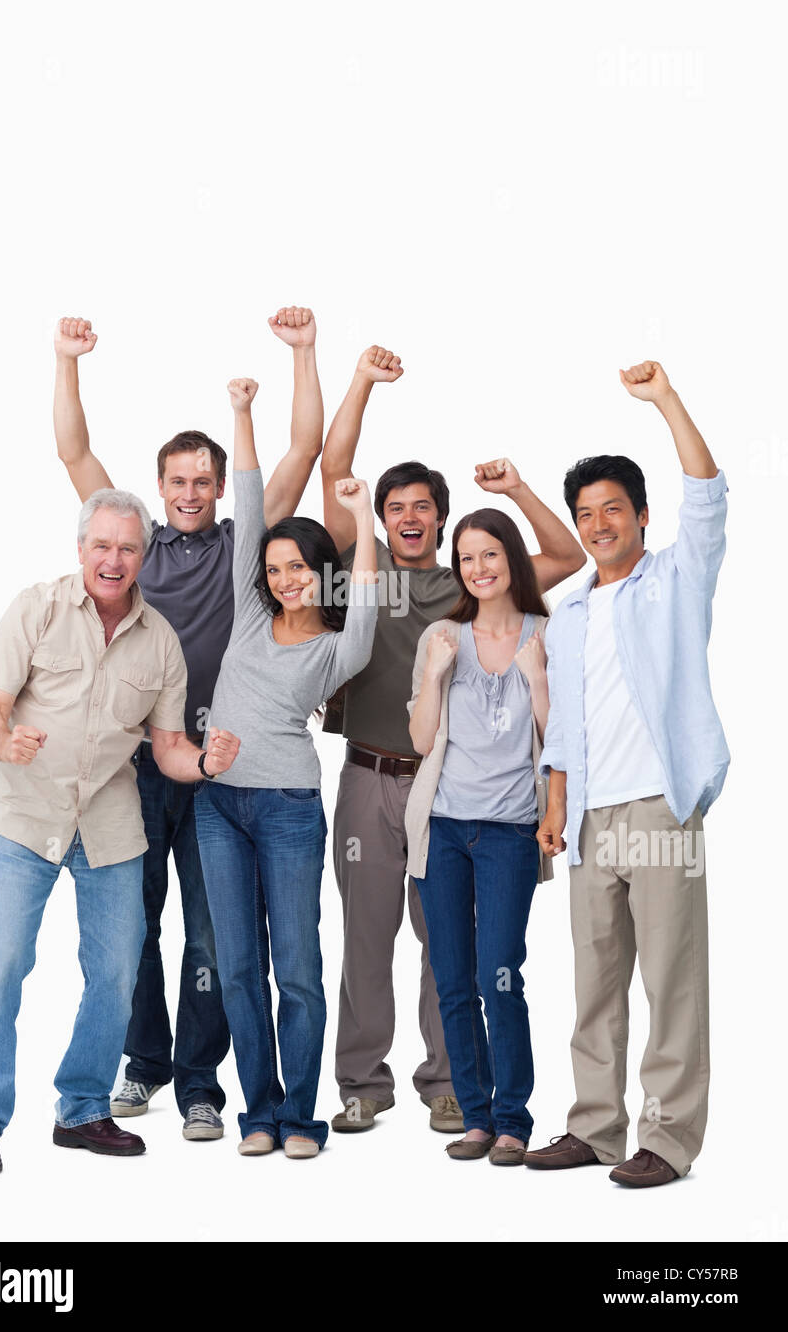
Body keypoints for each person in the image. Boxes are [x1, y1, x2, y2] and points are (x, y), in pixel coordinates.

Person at [52, 308, 322, 1142]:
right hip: (136, 764)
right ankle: (145, 1066)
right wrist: (67, 361)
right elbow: (72, 454)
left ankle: (201, 1083)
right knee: (133, 925)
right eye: (180, 481)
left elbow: (303, 450)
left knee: (210, 934)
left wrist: (303, 355)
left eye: (206, 480)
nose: (194, 493)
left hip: (218, 769)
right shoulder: (140, 546)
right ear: (162, 487)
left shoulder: (249, 546)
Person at [320, 344, 586, 1135]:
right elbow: (335, 460)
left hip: (450, 787)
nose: (406, 517)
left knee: (450, 945)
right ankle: (363, 1082)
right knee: (366, 939)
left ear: (440, 517)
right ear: (381, 518)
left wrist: (513, 490)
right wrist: (362, 380)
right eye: (394, 507)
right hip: (369, 779)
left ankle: (450, 1082)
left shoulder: (467, 584)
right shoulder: (353, 573)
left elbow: (567, 556)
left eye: (420, 508)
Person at [0, 490, 240, 1175]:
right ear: (81, 549)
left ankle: (82, 1108)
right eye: (102, 546)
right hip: (29, 815)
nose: (114, 560)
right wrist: (5, 743)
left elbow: (166, 746)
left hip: (112, 824)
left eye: (128, 548)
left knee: (114, 971)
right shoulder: (36, 608)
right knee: (2, 964)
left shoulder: (160, 642)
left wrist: (202, 762)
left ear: (145, 557)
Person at [525, 360, 729, 1188]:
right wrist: (554, 801)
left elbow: (709, 498)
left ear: (642, 516)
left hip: (660, 809)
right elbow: (566, 724)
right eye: (586, 515)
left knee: (672, 981)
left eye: (614, 509)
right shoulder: (570, 610)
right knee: (595, 983)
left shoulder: (676, 580)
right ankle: (596, 1128)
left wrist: (665, 401)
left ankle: (669, 1139)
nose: (600, 523)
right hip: (588, 821)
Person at [193, 377, 379, 1159]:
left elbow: (364, 598)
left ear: (320, 570)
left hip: (290, 808)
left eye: (298, 567)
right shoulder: (247, 609)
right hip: (217, 806)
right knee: (236, 967)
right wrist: (240, 413)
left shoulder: (339, 645)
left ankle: (301, 1117)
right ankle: (259, 1114)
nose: (283, 578)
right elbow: (246, 496)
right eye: (273, 568)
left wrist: (362, 514)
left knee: (297, 964)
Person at [406, 508, 553, 1164]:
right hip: (444, 828)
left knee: (500, 972)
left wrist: (539, 678)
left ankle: (513, 1119)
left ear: (511, 558)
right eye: (467, 558)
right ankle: (475, 1116)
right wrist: (435, 675)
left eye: (490, 554)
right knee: (452, 976)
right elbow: (418, 739)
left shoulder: (544, 634)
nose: (479, 568)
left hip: (510, 830)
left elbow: (558, 739)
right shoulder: (442, 635)